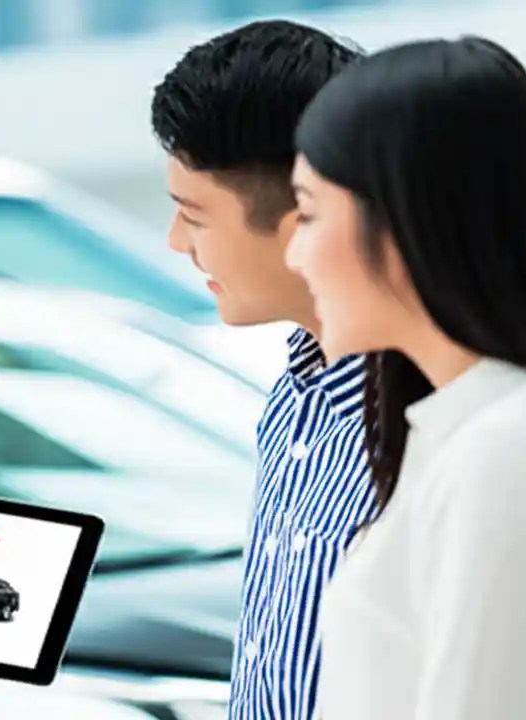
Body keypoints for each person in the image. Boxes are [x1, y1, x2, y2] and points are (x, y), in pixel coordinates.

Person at [287, 36, 526, 719]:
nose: (295, 252)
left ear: (402, 219)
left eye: (309, 213)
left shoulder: (514, 451)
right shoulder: (471, 435)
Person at [150, 20, 366, 720]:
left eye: (194, 215)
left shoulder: (438, 425)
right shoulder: (295, 398)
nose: (176, 242)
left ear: (301, 216)